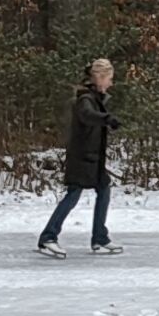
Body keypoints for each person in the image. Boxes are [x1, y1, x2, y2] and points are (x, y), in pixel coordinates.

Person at [37, 58, 124, 258]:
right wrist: (106, 119)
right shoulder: (86, 99)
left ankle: (99, 238)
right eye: (109, 79)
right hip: (82, 157)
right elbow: (87, 115)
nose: (111, 83)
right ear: (100, 78)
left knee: (104, 188)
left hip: (93, 158)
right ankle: (48, 237)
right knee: (73, 194)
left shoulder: (94, 97)